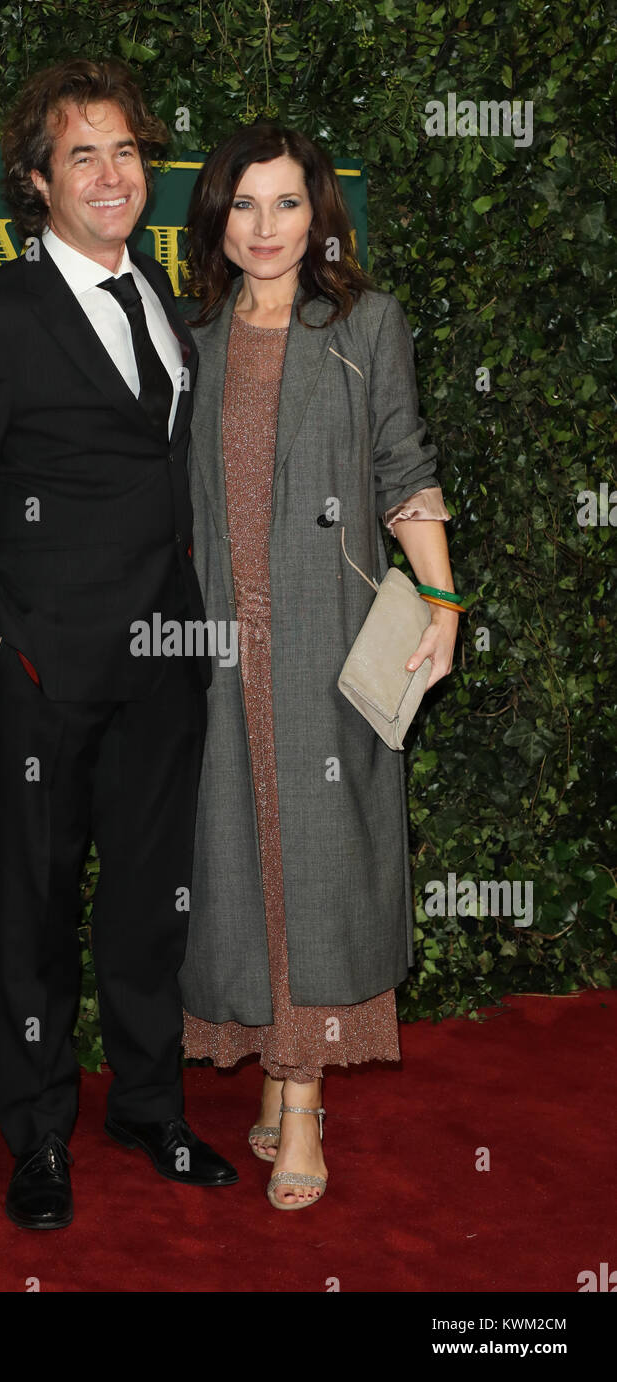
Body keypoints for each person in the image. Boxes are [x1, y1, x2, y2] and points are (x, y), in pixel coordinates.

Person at [0, 58, 237, 1232]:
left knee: (152, 909)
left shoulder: (171, 304)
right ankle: (37, 1136)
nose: (111, 174)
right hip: (43, 672)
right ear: (35, 182)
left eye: (126, 151)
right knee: (37, 918)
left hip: (165, 666)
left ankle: (146, 1106)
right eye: (80, 154)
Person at [178, 124, 458, 1210]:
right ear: (215, 220)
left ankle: (301, 1102)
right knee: (240, 861)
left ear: (319, 214)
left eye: (285, 204)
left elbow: (403, 463)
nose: (263, 228)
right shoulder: (191, 334)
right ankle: (271, 1053)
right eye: (241, 206)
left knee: (314, 862)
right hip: (211, 646)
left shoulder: (360, 325)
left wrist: (438, 597)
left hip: (325, 632)